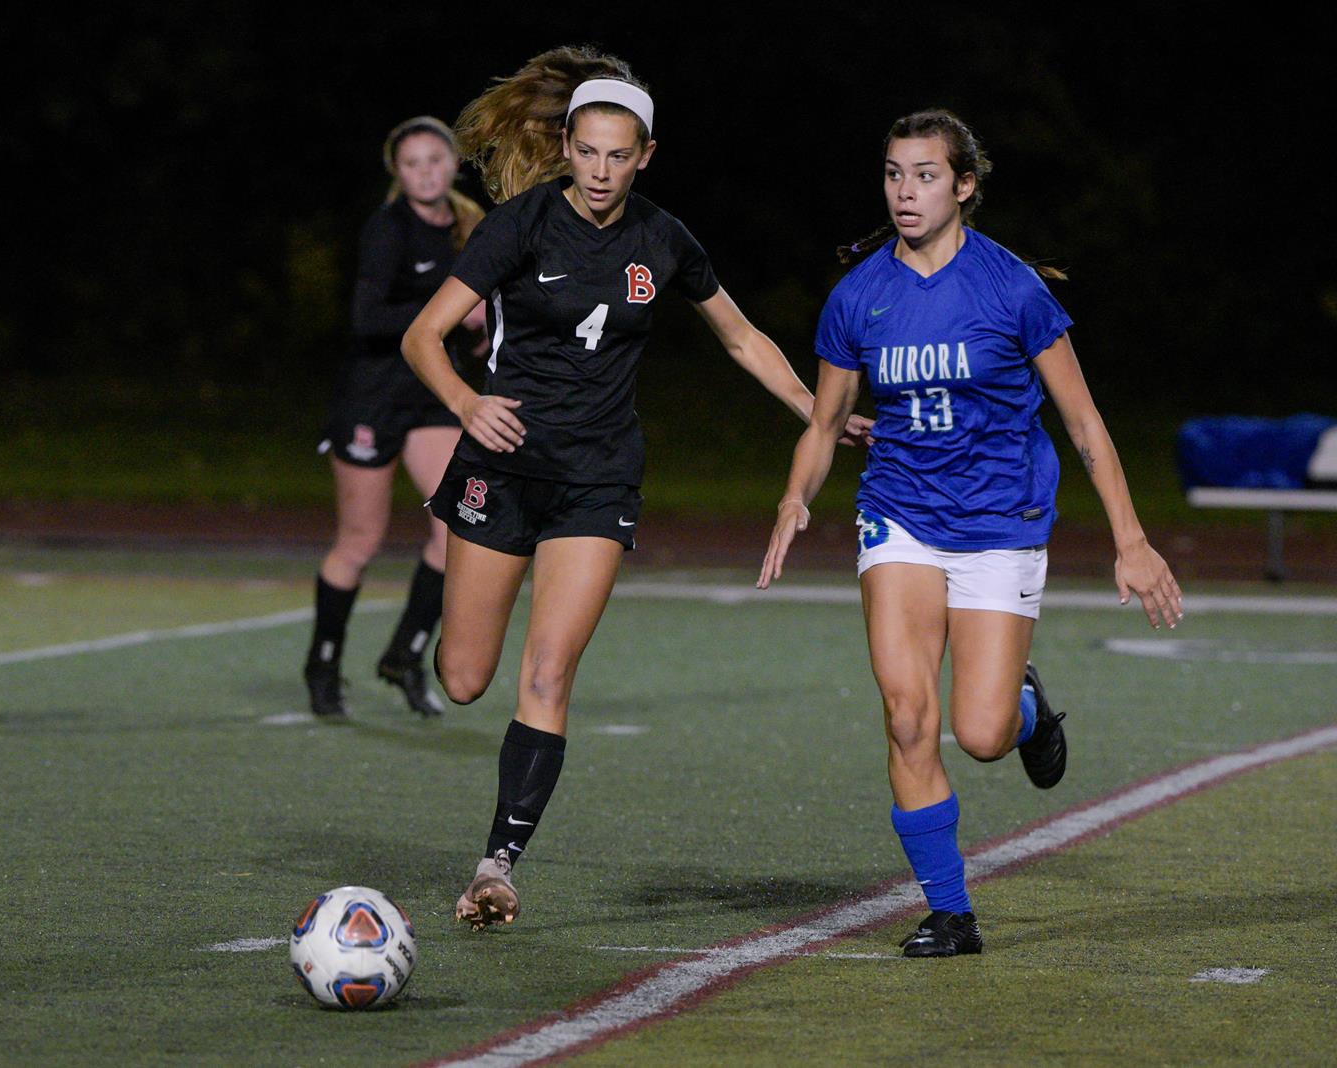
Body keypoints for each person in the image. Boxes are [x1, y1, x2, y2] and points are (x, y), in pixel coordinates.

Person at [402, 46, 871, 929]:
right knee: (465, 677)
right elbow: (423, 338)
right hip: (500, 469)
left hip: (596, 479)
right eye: (588, 152)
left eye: (622, 155)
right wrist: (468, 403)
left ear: (646, 154)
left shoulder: (664, 237)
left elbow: (739, 338)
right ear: (567, 146)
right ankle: (440, 639)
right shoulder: (522, 224)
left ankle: (498, 864)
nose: (604, 171)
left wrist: (820, 410)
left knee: (548, 672)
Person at [757, 109, 1184, 956]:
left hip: (1001, 520)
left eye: (923, 175)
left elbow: (1085, 421)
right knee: (910, 715)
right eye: (892, 174)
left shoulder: (1011, 287)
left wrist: (1131, 540)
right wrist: (794, 495)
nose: (905, 191)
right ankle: (951, 911)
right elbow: (827, 419)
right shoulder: (859, 295)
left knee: (981, 733)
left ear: (964, 186)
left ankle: (1029, 708)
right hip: (901, 514)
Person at [304, 116, 487, 719]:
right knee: (360, 540)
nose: (426, 172)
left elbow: (484, 319)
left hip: (434, 396)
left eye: (435, 159)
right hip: (374, 396)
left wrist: (487, 335)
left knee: (454, 528)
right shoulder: (387, 229)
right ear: (397, 172)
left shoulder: (471, 227)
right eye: (412, 163)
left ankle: (405, 654)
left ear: (454, 162)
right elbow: (367, 319)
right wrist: (447, 309)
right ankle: (323, 664)